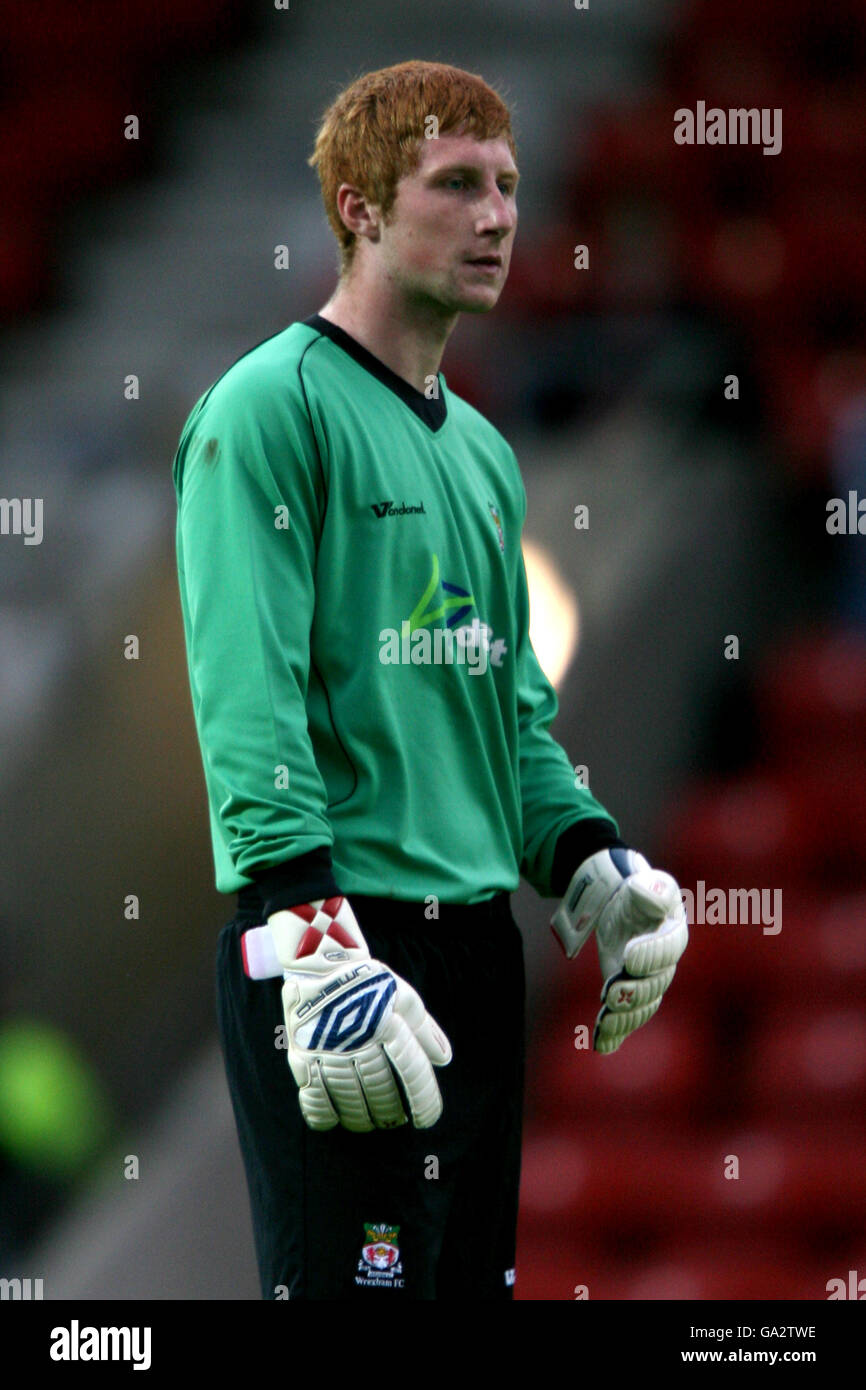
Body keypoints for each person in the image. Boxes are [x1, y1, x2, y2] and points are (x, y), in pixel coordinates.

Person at [172, 59, 688, 1301]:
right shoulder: (266, 409)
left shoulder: (485, 455)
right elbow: (247, 698)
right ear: (356, 207)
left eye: (507, 187)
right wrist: (306, 934)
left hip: (475, 958)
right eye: (455, 184)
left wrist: (587, 860)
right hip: (339, 942)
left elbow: (505, 714)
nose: (498, 216)